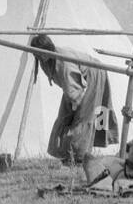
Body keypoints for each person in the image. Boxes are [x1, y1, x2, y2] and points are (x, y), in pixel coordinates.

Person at [29, 34, 117, 164]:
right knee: (64, 116)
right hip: (74, 85)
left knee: (85, 116)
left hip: (94, 75)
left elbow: (74, 89)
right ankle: (65, 153)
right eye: (38, 54)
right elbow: (69, 86)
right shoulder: (45, 60)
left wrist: (77, 105)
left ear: (49, 48)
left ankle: (79, 157)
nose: (41, 56)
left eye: (43, 52)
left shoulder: (64, 63)